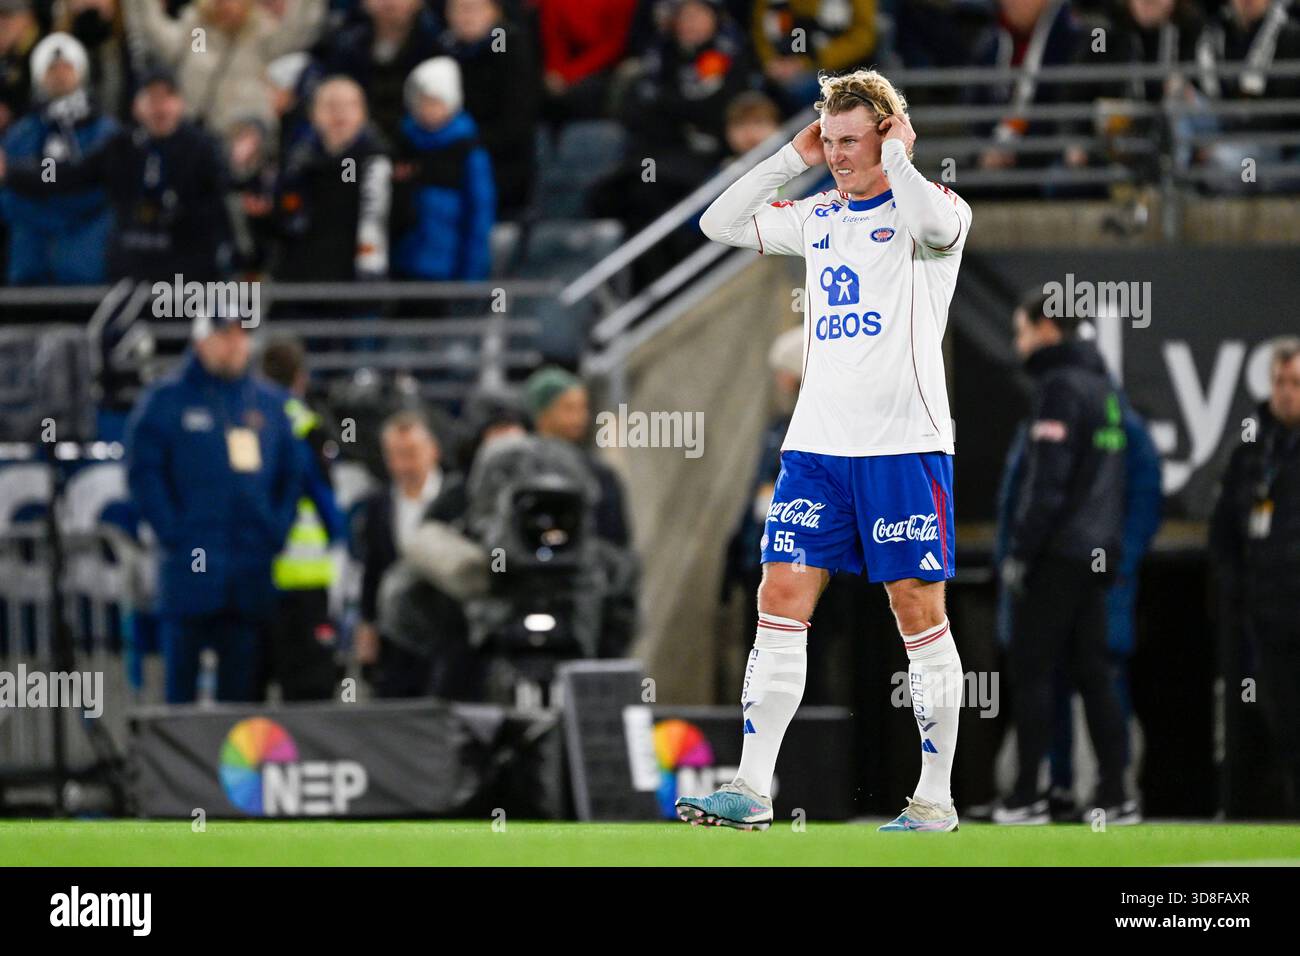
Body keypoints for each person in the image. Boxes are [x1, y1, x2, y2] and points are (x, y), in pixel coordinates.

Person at [680, 68, 972, 832]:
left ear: (890, 134)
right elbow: (717, 224)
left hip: (903, 446)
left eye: (853, 141)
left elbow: (936, 231)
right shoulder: (818, 215)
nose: (839, 155)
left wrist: (902, 160)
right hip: (816, 448)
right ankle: (750, 786)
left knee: (916, 612)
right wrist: (789, 157)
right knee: (778, 598)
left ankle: (934, 798)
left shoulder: (934, 211)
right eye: (831, 140)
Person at [994, 291, 1136, 825]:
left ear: (1047, 327)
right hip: (1097, 553)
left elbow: (1048, 483)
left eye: (1022, 330)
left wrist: (1022, 552)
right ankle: (1116, 793)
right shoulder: (1105, 386)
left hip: (1058, 554)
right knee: (1093, 673)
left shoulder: (1058, 388)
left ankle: (1027, 793)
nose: (1019, 343)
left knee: (1032, 668)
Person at [125, 310, 300, 704]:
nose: (236, 344)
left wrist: (276, 529)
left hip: (249, 572)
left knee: (242, 698)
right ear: (201, 339)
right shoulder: (165, 401)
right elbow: (144, 474)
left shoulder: (270, 403)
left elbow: (293, 473)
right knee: (180, 696)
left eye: (243, 335)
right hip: (190, 567)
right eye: (226, 335)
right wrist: (174, 533)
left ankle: (232, 769)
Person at [1, 68, 231, 282]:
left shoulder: (204, 148)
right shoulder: (120, 147)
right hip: (133, 272)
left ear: (181, 103)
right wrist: (10, 172)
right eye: (151, 98)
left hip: (189, 276)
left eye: (167, 97)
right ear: (135, 106)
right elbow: (65, 176)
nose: (160, 107)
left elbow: (224, 203)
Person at [1210, 336, 1300, 815]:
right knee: (1276, 723)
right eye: (1280, 382)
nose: (1286, 392)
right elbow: (1224, 526)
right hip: (1265, 617)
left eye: (1296, 383)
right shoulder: (1252, 446)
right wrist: (1234, 591)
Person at [353, 410, 469, 697]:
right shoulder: (378, 505)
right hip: (396, 637)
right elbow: (373, 567)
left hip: (451, 632)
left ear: (433, 450)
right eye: (395, 454)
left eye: (411, 453)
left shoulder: (459, 499)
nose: (403, 464)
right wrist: (367, 623)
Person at [261, 335, 345, 701]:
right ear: (301, 378)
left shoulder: (246, 420)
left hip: (255, 575)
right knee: (310, 690)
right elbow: (325, 498)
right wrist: (340, 538)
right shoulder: (307, 426)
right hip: (305, 576)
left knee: (247, 694)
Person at [0, 32, 117, 285]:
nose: (60, 74)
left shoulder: (105, 132)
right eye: (51, 68)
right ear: (38, 74)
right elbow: (6, 197)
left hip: (87, 268)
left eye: (67, 66)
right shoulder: (20, 134)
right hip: (29, 267)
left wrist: (48, 204)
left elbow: (107, 190)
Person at [122, 0, 325, 146]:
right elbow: (156, 35)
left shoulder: (260, 34)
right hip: (195, 134)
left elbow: (301, 29)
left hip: (244, 137)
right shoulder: (197, 30)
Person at [272, 76, 391, 282]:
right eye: (330, 105)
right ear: (313, 113)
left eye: (348, 105)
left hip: (357, 287)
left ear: (363, 112)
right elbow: (281, 222)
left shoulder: (377, 165)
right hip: (300, 285)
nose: (339, 113)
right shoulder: (295, 163)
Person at [390, 57, 494, 282]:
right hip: (403, 263)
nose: (428, 110)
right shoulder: (402, 145)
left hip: (446, 266)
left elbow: (479, 212)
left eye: (435, 102)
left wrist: (472, 275)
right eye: (422, 102)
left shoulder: (469, 150)